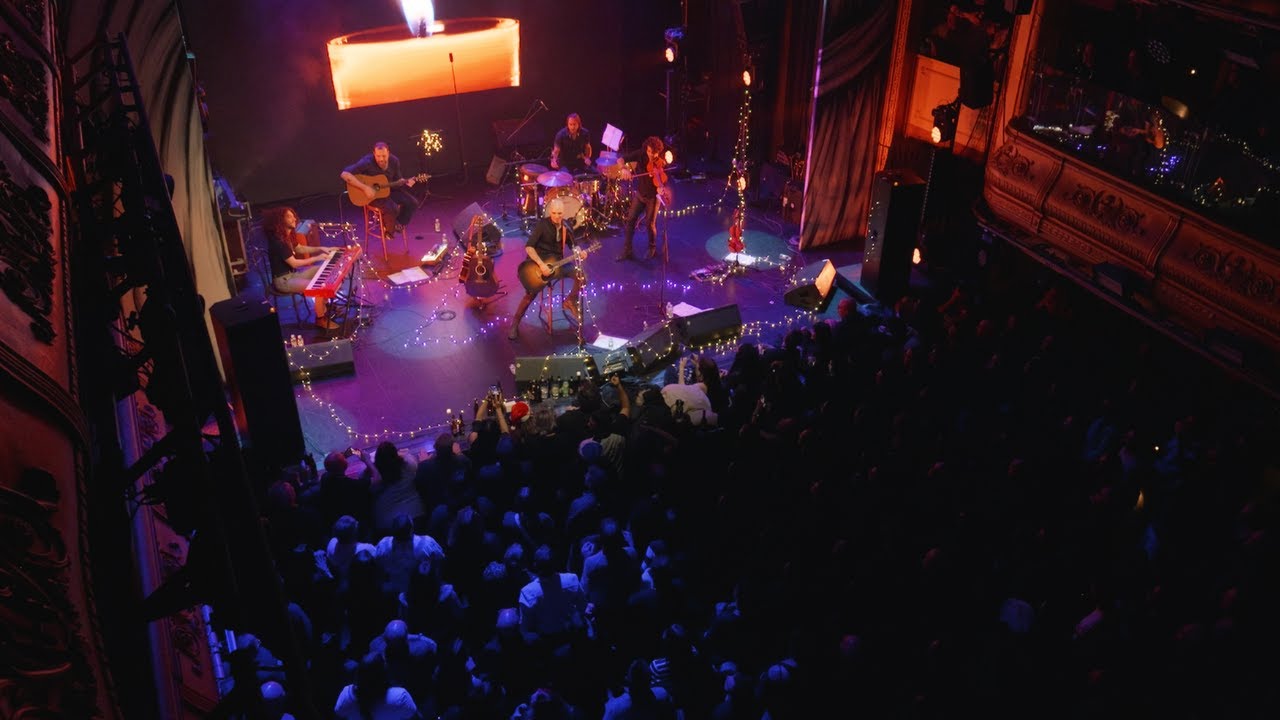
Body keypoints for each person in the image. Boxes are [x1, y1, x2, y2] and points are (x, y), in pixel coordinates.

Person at [507, 196, 587, 340]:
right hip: (540, 265)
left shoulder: (566, 226)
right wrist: (541, 264)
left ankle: (570, 300)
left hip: (558, 264)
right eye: (554, 213)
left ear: (563, 212)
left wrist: (579, 252)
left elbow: (573, 245)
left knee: (581, 275)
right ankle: (515, 323)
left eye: (560, 213)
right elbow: (529, 247)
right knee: (530, 295)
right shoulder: (542, 225)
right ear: (550, 212)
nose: (557, 216)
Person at [263, 206, 341, 330]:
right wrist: (317, 258)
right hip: (284, 281)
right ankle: (320, 319)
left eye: (293, 215)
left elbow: (300, 248)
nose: (294, 219)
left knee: (325, 272)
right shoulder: (278, 242)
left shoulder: (286, 236)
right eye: (289, 216)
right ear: (280, 220)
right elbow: (294, 263)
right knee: (318, 286)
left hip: (293, 275)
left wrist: (322, 248)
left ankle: (324, 307)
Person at [340, 141, 420, 236]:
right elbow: (344, 174)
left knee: (413, 203)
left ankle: (397, 223)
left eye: (384, 156)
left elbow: (397, 181)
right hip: (373, 195)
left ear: (388, 153)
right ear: (374, 154)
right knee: (392, 208)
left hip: (388, 190)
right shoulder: (367, 162)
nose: (381, 159)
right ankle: (389, 231)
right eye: (378, 156)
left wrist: (406, 182)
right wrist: (365, 188)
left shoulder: (394, 161)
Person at [618, 136, 667, 261]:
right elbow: (621, 159)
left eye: (654, 153)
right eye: (649, 151)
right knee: (630, 220)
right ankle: (627, 250)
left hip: (653, 198)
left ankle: (652, 248)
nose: (651, 155)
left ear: (658, 152)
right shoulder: (641, 153)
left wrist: (661, 188)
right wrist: (624, 169)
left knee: (649, 224)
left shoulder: (662, 162)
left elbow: (663, 180)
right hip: (640, 194)